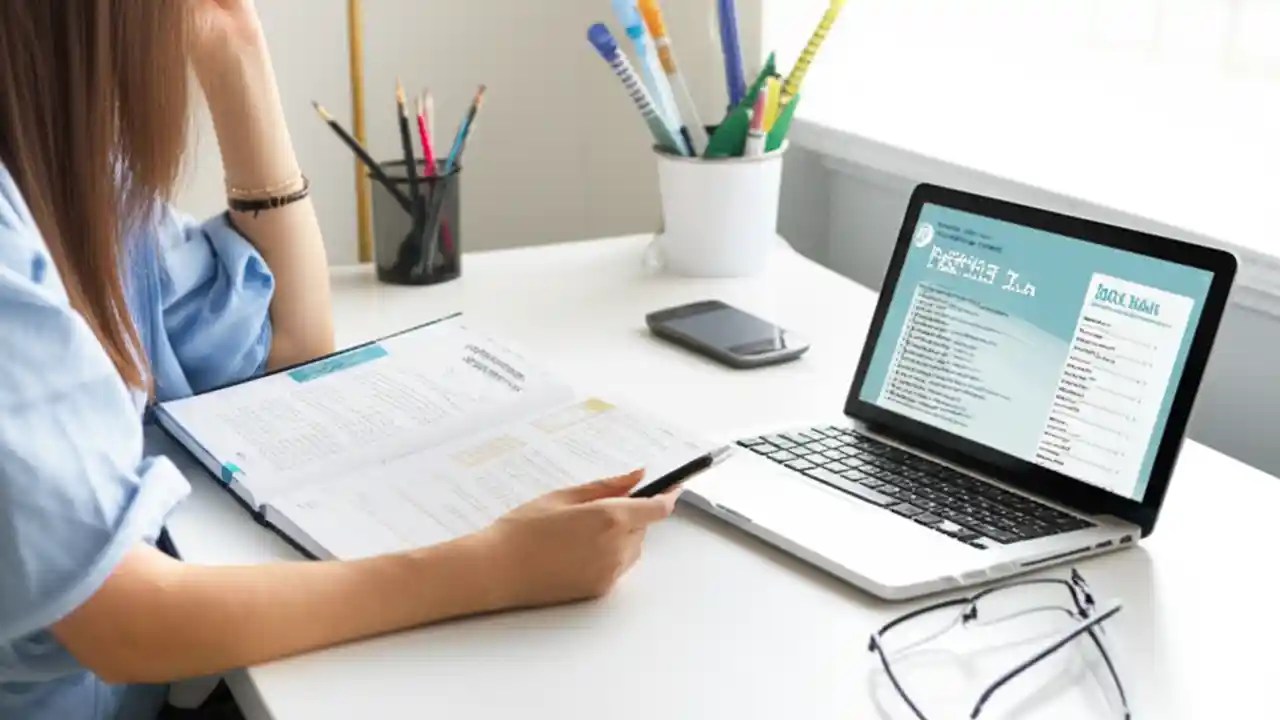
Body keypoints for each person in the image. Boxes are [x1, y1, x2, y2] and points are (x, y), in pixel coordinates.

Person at [0, 2, 681, 718]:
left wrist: (237, 51)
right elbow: (124, 621)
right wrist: (496, 568)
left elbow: (291, 349)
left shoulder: (71, 180)